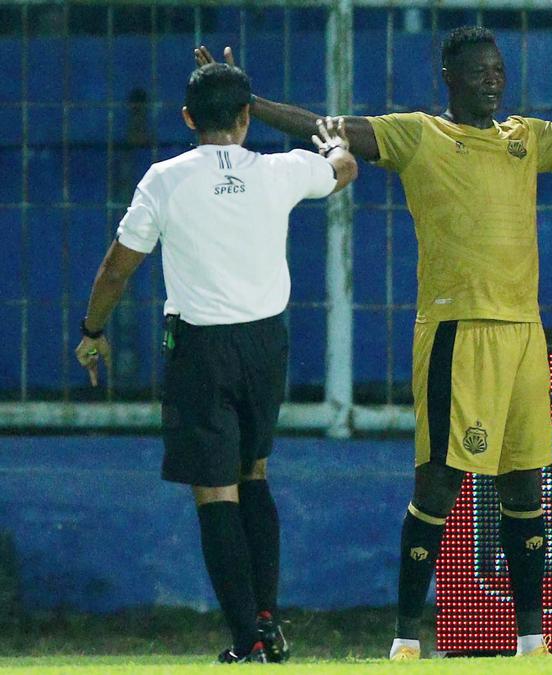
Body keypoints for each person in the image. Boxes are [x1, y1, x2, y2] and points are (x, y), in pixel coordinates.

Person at [196, 25, 552, 659]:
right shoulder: (419, 134)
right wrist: (252, 102)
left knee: (524, 485)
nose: (494, 80)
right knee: (439, 483)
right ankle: (407, 636)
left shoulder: (527, 138)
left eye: (498, 69)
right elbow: (328, 127)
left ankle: (532, 640)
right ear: (451, 80)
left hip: (524, 333)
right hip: (457, 331)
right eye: (481, 71)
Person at [74, 63, 357, 663]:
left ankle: (246, 638)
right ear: (247, 118)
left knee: (214, 490)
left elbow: (117, 267)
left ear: (186, 119)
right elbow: (344, 168)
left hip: (201, 348)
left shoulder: (165, 180)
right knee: (254, 473)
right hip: (264, 345)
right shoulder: (279, 171)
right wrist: (331, 143)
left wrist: (93, 330)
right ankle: (267, 619)